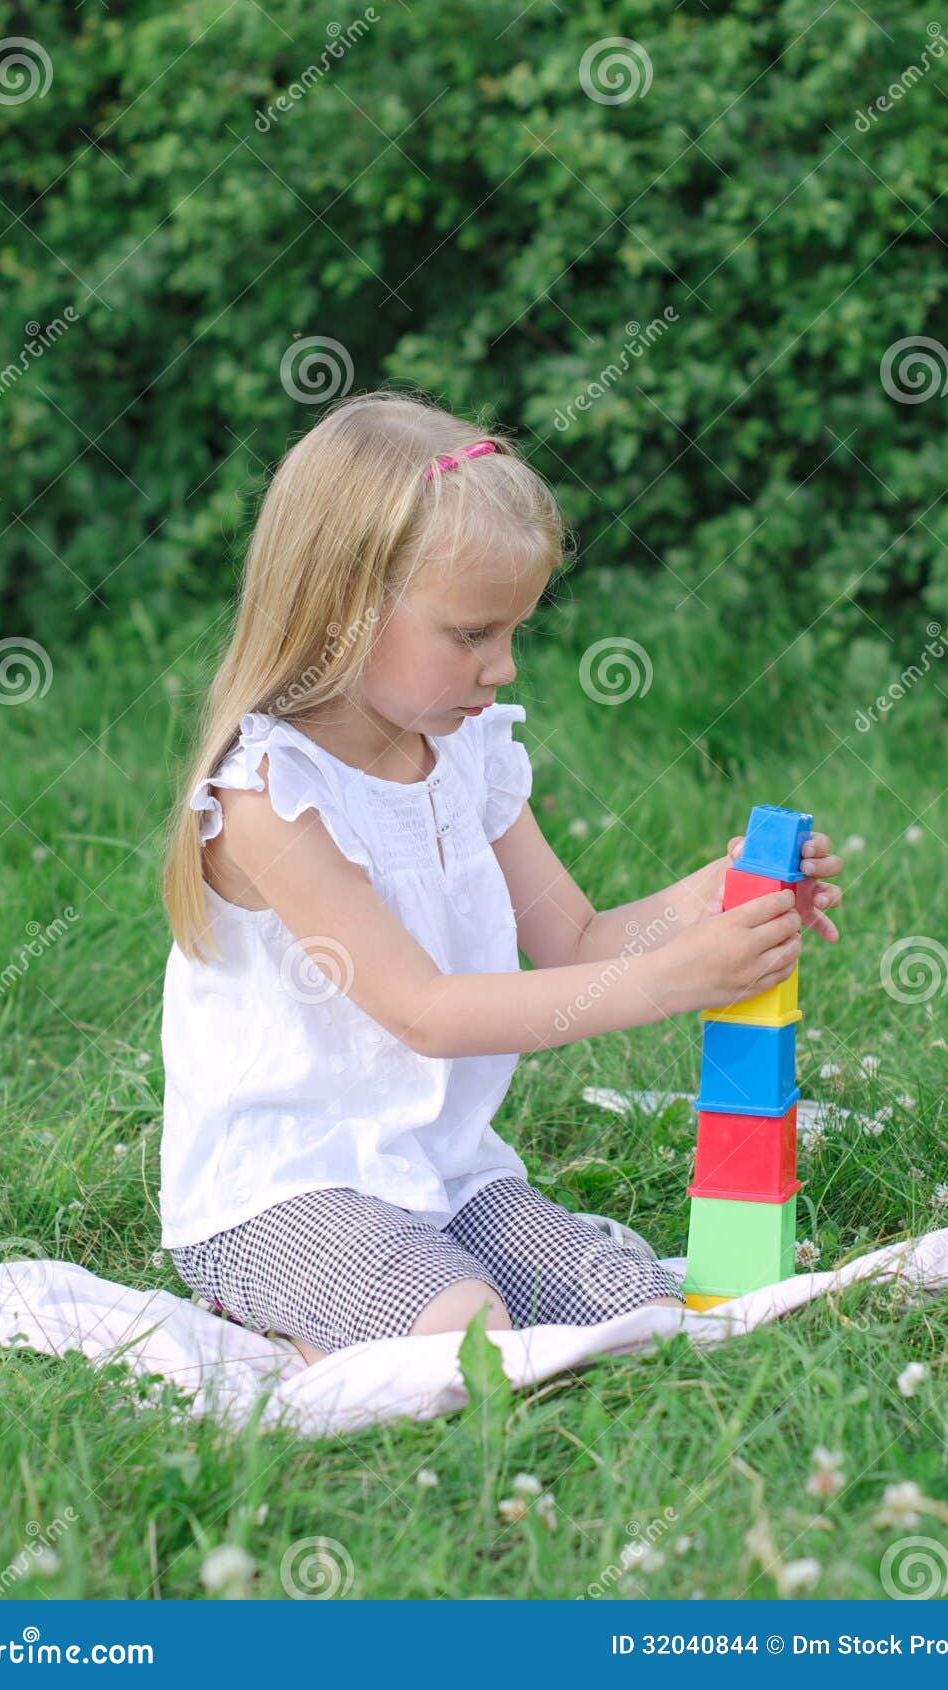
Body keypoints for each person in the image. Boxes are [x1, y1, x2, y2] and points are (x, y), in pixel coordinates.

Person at [158, 389, 844, 1366]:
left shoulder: (467, 751)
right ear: (345, 610)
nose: (503, 667)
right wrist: (678, 981)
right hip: (281, 1187)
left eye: (513, 630)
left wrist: (723, 889)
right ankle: (269, 1324)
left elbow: (578, 939)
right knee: (462, 1335)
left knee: (632, 1302)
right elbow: (424, 1011)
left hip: (447, 1169)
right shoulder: (273, 795)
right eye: (472, 634)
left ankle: (410, 1290)